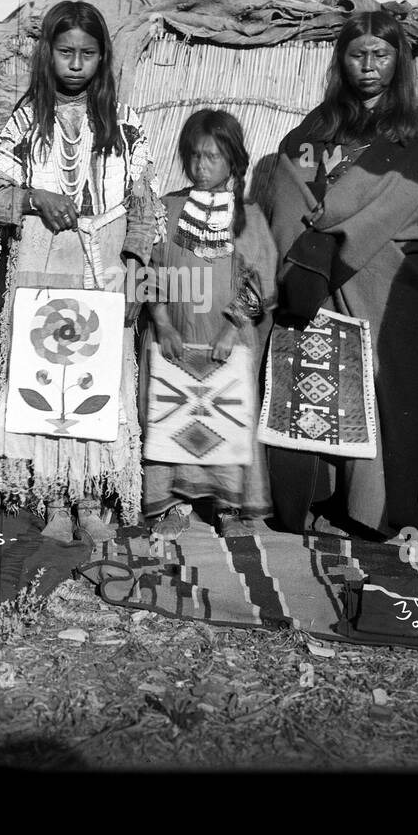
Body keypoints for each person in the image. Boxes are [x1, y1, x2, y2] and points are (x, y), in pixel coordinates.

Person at [253, 11, 418, 537]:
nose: (368, 66)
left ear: (398, 62)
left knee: (376, 385)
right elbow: (288, 189)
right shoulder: (318, 127)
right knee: (319, 382)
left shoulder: (417, 130)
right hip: (320, 276)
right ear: (342, 59)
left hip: (383, 278)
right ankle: (314, 500)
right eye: (357, 54)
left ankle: (367, 510)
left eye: (381, 55)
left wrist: (332, 241)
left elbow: (407, 206)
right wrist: (312, 253)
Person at [0, 0, 162, 545]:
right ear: (48, 55)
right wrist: (35, 197)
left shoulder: (126, 125)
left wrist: (135, 267)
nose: (77, 64)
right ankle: (54, 500)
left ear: (103, 57)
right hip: (45, 258)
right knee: (48, 374)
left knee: (98, 376)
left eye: (88, 54)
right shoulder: (23, 121)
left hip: (103, 264)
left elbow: (144, 204)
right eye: (66, 53)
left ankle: (90, 499)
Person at [141, 109, 278, 538]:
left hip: (228, 342)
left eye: (213, 157)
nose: (202, 167)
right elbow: (149, 271)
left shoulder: (248, 217)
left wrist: (231, 328)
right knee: (173, 418)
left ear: (234, 161)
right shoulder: (168, 209)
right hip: (174, 339)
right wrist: (162, 324)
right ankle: (175, 503)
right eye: (195, 156)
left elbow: (260, 276)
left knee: (227, 420)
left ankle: (229, 506)